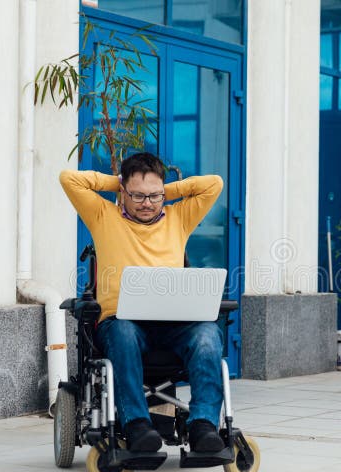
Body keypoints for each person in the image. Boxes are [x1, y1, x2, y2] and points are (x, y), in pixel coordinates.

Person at [59, 152, 226, 453]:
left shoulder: (179, 217)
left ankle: (203, 425)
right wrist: (119, 185)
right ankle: (137, 425)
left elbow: (214, 184)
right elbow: (68, 179)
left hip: (175, 324)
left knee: (208, 334)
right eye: (137, 196)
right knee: (122, 332)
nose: (147, 203)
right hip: (123, 324)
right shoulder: (102, 215)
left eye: (154, 196)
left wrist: (165, 189)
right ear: (123, 191)